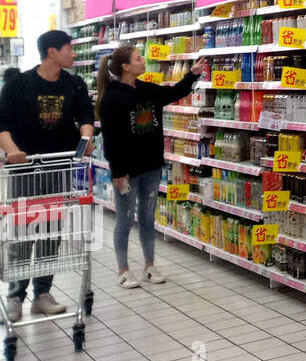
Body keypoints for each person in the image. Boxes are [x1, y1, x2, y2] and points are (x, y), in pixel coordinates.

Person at [0, 30, 95, 319]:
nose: (73, 54)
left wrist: (86, 139)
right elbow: (1, 122)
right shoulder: (19, 85)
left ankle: (43, 293)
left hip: (59, 167)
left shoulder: (74, 84)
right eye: (69, 48)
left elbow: (86, 117)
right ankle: (16, 296)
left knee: (51, 233)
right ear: (52, 51)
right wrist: (12, 150)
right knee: (22, 232)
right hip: (25, 169)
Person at [97, 46, 205, 288]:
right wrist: (117, 171)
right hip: (126, 170)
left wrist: (193, 74)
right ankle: (123, 269)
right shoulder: (112, 97)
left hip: (151, 165)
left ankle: (149, 265)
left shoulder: (146, 89)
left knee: (147, 217)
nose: (142, 60)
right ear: (125, 66)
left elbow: (173, 92)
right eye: (138, 58)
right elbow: (111, 137)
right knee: (124, 220)